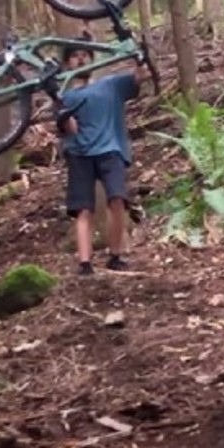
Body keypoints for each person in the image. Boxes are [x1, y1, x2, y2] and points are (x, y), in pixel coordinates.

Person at [55, 44, 146, 275]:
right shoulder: (64, 95)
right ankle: (85, 263)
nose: (81, 59)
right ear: (67, 64)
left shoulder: (111, 84)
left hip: (111, 150)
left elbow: (138, 79)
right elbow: (71, 129)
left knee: (117, 201)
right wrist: (61, 108)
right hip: (79, 154)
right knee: (83, 209)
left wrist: (140, 59)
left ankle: (115, 255)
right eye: (75, 56)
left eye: (85, 55)